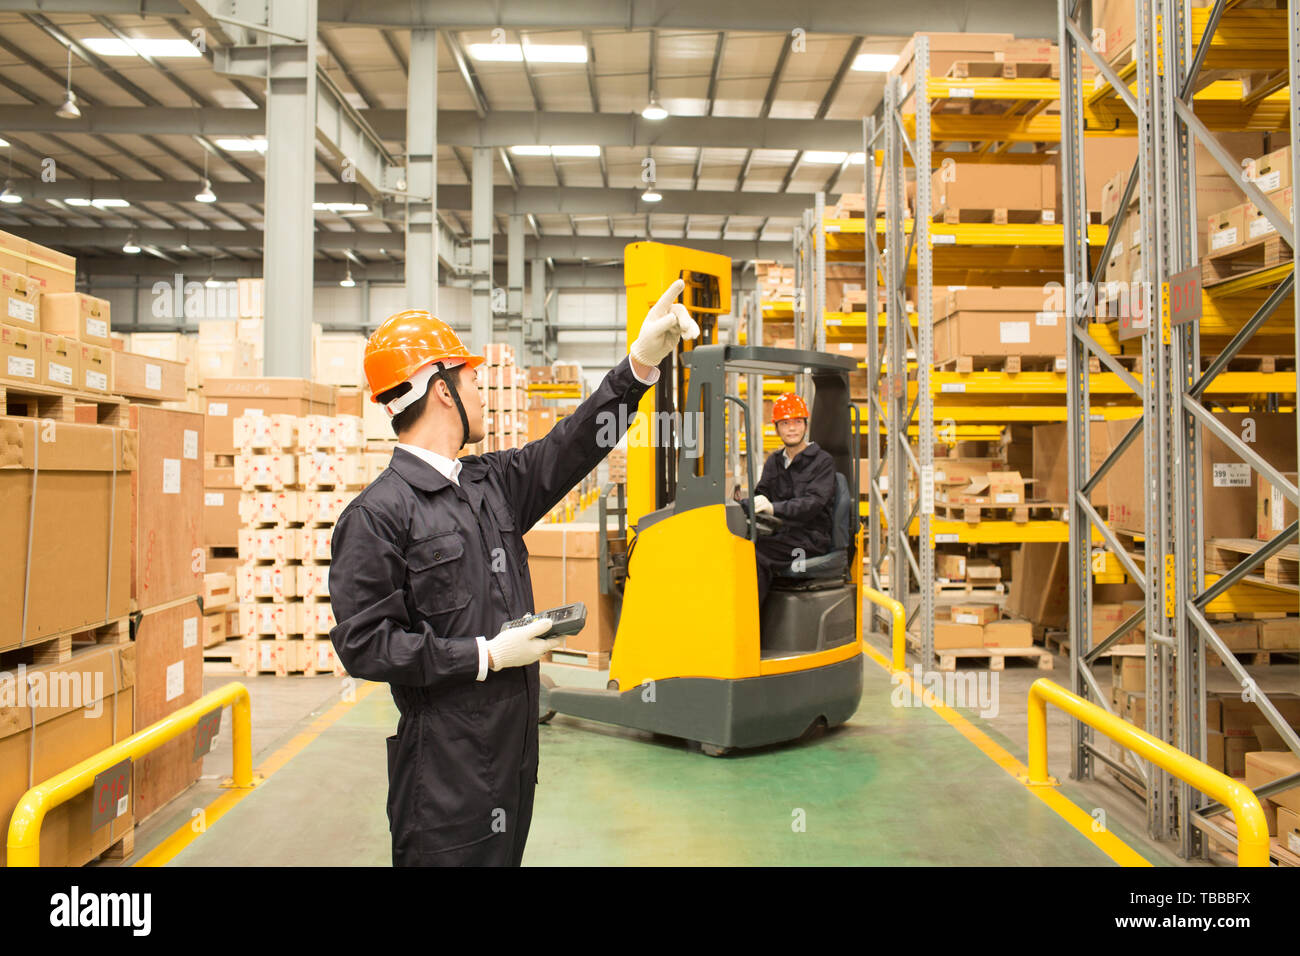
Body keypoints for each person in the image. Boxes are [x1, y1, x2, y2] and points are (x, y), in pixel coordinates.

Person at [328, 280, 698, 866]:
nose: (482, 390)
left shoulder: (488, 484)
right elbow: (365, 645)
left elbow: (572, 446)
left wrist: (641, 363)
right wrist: (486, 655)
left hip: (512, 761)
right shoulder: (377, 515)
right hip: (445, 782)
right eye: (471, 378)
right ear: (442, 389)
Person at [749, 392, 836, 606]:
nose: (792, 428)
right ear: (777, 427)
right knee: (739, 545)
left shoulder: (822, 462)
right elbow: (762, 493)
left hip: (810, 540)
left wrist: (773, 508)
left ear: (805, 425)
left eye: (797, 422)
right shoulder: (775, 462)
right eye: (785, 423)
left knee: (756, 554)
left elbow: (812, 504)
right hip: (782, 535)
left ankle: (751, 627)